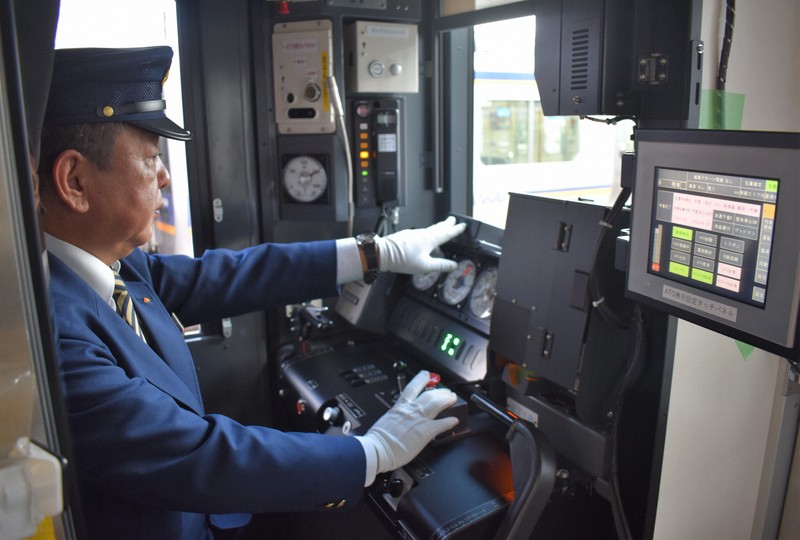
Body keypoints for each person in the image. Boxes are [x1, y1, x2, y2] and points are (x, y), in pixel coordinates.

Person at [39, 46, 466, 540]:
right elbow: (194, 455)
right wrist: (373, 452)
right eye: (151, 159)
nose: (165, 178)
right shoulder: (55, 331)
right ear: (74, 181)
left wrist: (374, 253)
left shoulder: (113, 263)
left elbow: (222, 276)